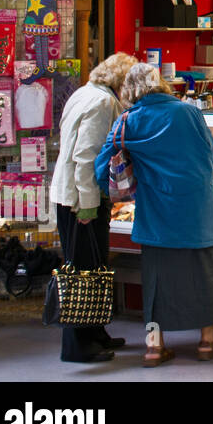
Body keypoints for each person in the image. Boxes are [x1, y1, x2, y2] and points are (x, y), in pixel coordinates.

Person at [95, 63, 213, 367]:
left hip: (156, 210)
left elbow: (102, 167)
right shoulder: (189, 111)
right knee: (206, 274)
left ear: (129, 89)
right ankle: (207, 342)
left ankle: (154, 345)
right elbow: (210, 154)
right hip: (198, 208)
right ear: (162, 85)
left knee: (156, 281)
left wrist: (120, 193)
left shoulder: (128, 120)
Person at [51, 52, 137, 363]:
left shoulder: (85, 92)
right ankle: (77, 344)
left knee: (94, 266)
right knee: (83, 272)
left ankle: (96, 333)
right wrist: (87, 205)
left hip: (73, 195)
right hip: (79, 200)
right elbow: (86, 156)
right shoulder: (102, 103)